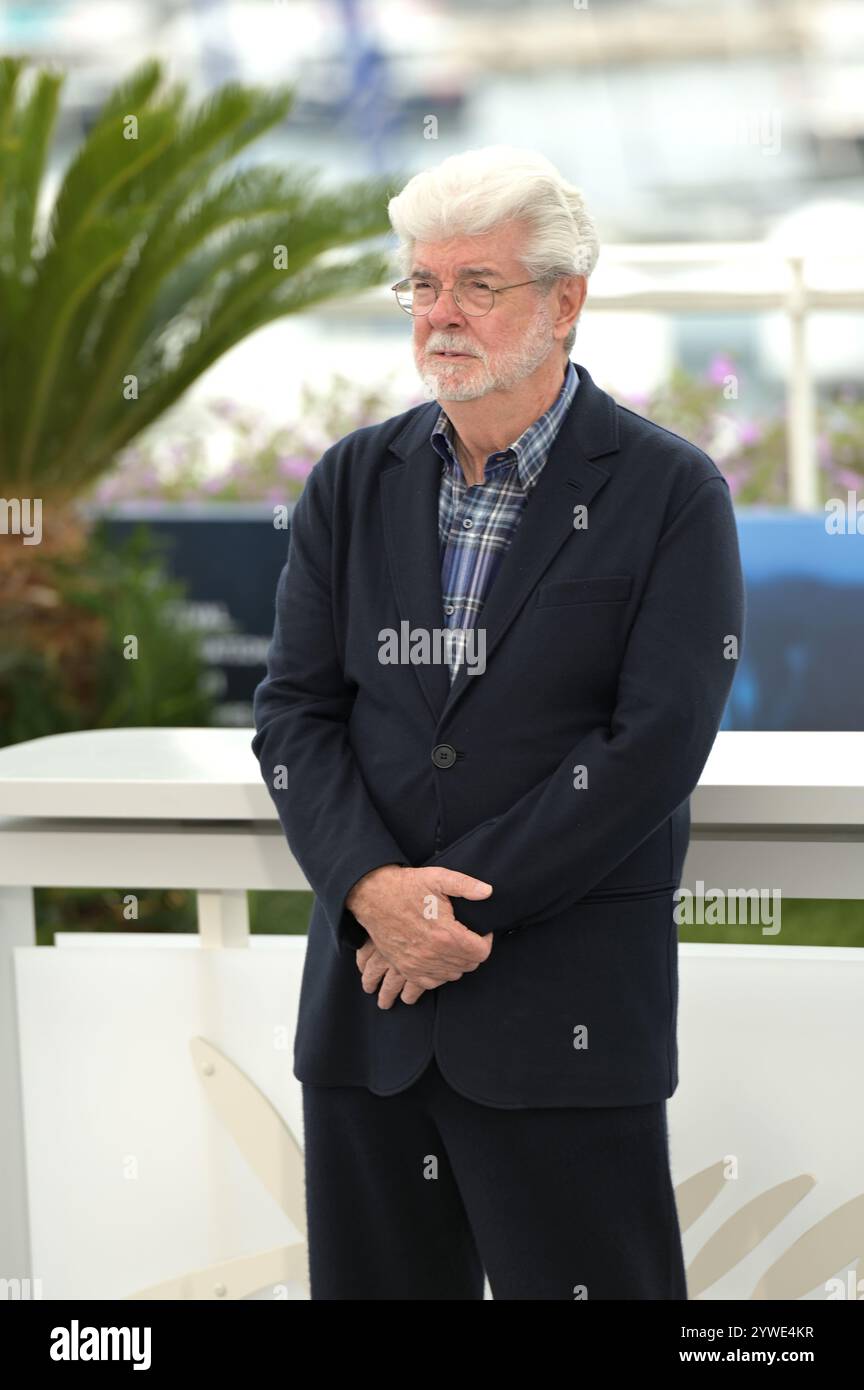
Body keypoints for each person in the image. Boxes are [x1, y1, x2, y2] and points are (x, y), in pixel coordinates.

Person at [251, 145, 745, 1300]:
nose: (442, 316)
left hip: (563, 1021)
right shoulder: (348, 482)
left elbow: (656, 744)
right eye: (423, 285)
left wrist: (450, 908)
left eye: (479, 285)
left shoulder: (672, 493)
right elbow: (294, 715)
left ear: (565, 301)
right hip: (367, 1013)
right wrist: (377, 892)